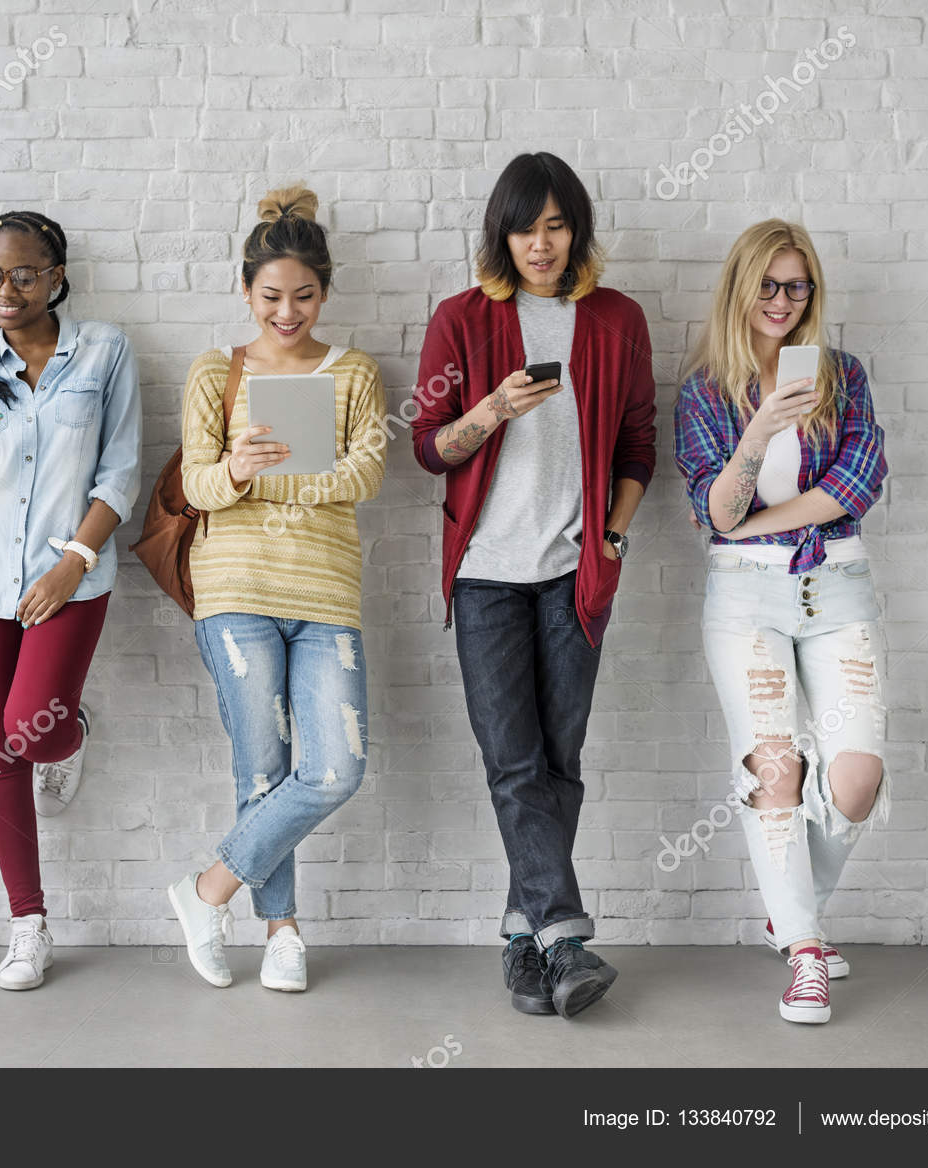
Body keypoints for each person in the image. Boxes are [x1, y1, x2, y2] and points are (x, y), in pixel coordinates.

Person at [410, 151, 656, 1018]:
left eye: (557, 226)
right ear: (502, 234)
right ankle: (565, 939)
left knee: (558, 762)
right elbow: (427, 446)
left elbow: (636, 446)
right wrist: (490, 413)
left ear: (576, 231)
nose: (542, 245)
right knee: (513, 762)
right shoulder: (463, 319)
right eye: (526, 228)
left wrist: (615, 537)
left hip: (574, 573)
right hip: (484, 578)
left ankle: (526, 941)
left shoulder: (617, 320)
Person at [165, 185, 386, 992]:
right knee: (262, 768)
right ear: (246, 291)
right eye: (269, 298)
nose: (286, 313)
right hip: (234, 591)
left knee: (335, 769)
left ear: (324, 292)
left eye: (302, 297)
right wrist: (239, 470)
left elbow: (367, 473)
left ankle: (207, 890)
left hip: (326, 596)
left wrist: (280, 482)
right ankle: (282, 932)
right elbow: (197, 486)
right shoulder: (213, 372)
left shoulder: (353, 370)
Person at [675, 219, 888, 1024]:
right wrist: (761, 427)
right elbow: (712, 504)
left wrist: (751, 523)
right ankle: (805, 951)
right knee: (776, 767)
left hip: (837, 588)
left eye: (797, 286)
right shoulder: (706, 390)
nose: (782, 301)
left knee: (855, 779)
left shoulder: (843, 376)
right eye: (767, 284)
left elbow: (856, 486)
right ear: (741, 288)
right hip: (745, 600)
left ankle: (789, 910)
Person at [0, 210, 141, 990]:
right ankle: (28, 923)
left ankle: (71, 731)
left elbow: (119, 472)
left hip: (72, 576)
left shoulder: (104, 351)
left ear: (58, 275)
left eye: (24, 274)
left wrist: (70, 564)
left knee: (32, 729)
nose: (7, 291)